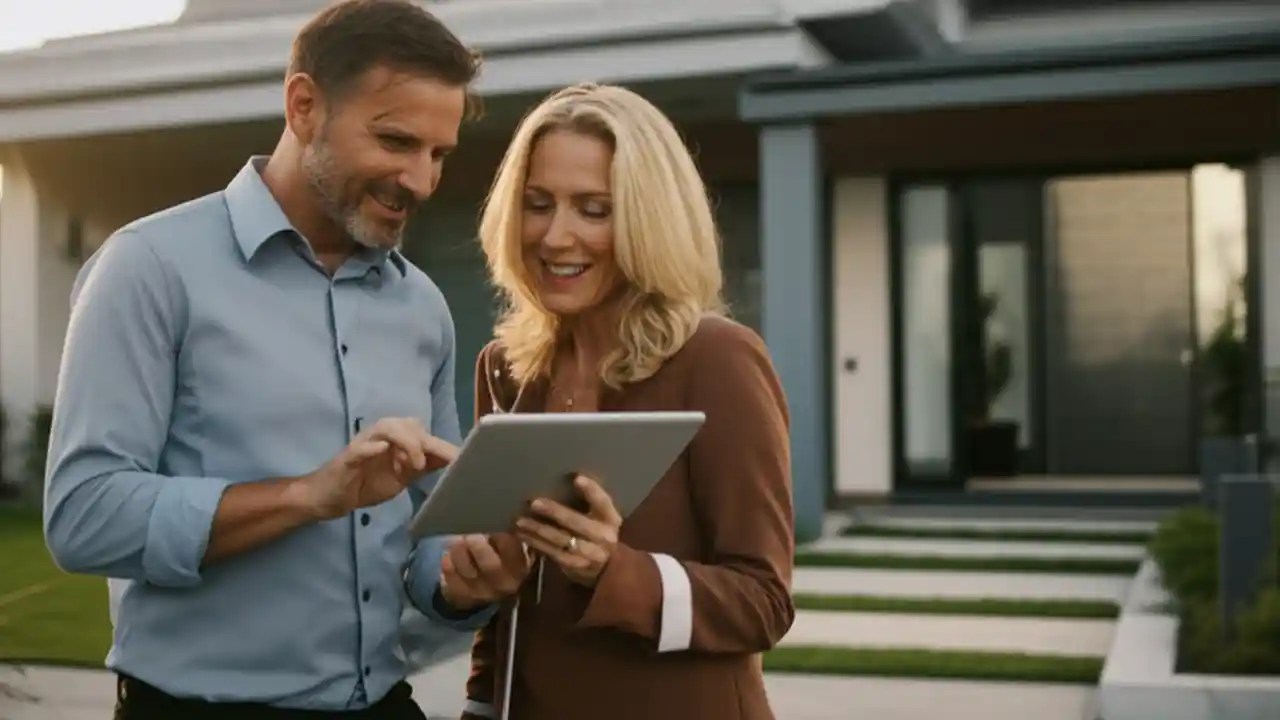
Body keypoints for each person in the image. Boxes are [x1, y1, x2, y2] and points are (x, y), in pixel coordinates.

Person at [42, 2, 529, 718]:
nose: (422, 182)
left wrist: (467, 580)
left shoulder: (421, 307)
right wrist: (309, 496)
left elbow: (432, 532)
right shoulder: (149, 268)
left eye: (438, 154)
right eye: (395, 141)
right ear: (303, 106)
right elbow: (84, 516)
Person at [461, 83, 796, 720]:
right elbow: (506, 612)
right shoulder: (505, 370)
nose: (556, 237)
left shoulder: (717, 359)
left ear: (648, 221)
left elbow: (765, 601)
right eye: (537, 204)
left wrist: (613, 572)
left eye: (594, 209)